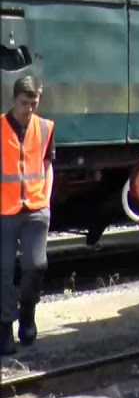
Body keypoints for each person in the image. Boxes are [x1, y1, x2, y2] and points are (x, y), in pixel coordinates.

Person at [1, 76, 55, 355]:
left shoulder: (45, 128)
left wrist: (46, 199)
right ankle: (4, 328)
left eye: (34, 104)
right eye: (24, 104)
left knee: (36, 266)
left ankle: (28, 314)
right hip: (4, 212)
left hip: (35, 210)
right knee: (4, 271)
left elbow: (47, 164)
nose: (29, 110)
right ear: (14, 100)